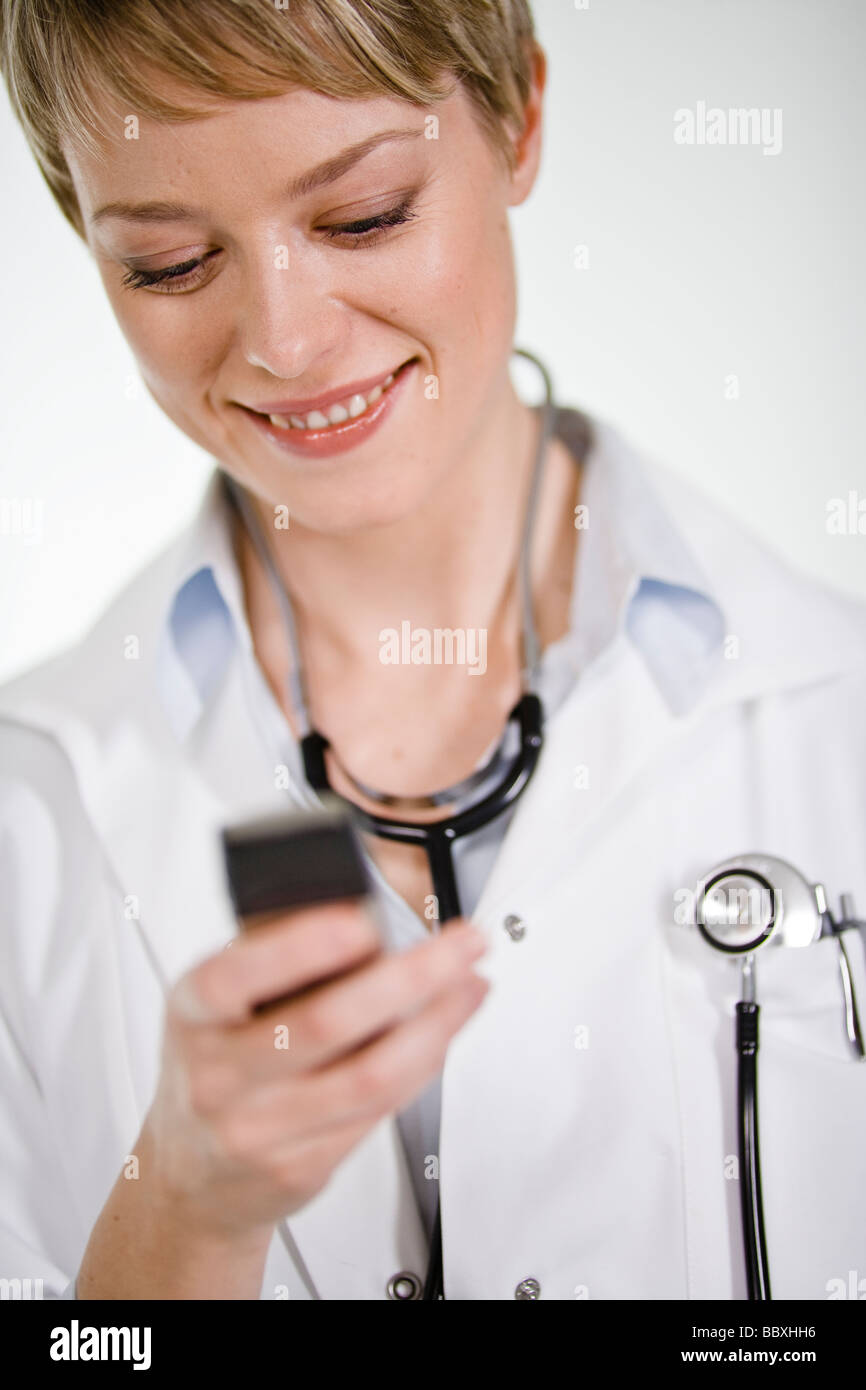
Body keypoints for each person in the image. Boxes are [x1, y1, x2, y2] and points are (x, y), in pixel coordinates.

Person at [1, 0, 864, 1303]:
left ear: (517, 115)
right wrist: (182, 1204)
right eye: (171, 263)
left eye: (363, 215)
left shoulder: (827, 710)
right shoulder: (32, 816)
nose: (284, 343)